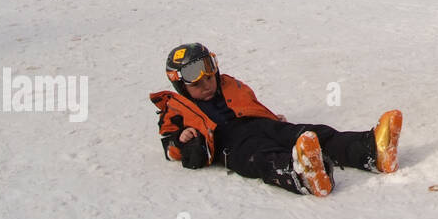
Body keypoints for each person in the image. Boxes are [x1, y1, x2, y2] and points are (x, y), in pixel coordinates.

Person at [150, 43, 403, 198]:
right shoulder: (176, 108)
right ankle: (304, 175)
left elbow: (252, 105)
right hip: (230, 144)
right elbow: (169, 145)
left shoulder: (229, 84)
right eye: (197, 83)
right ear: (180, 85)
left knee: (308, 133)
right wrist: (181, 140)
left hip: (258, 124)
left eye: (209, 77)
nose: (206, 85)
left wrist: (273, 119)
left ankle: (370, 149)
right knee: (263, 156)